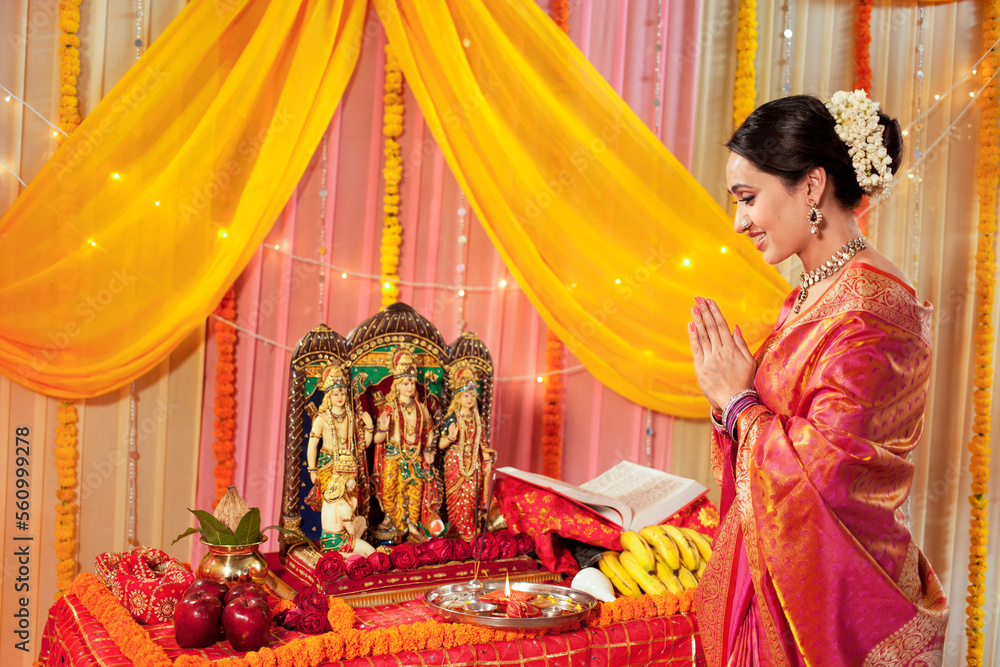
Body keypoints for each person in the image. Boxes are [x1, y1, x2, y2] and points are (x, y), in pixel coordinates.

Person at [688, 91, 948, 666]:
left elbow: (831, 478)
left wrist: (738, 405)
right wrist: (734, 402)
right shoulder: (817, 291)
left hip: (831, 608)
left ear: (810, 186)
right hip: (785, 578)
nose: (739, 223)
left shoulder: (870, 313)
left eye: (748, 199)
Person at [372, 348, 442, 543]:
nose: (410, 386)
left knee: (415, 490)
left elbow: (431, 430)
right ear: (397, 384)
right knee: (389, 489)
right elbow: (377, 440)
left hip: (415, 457)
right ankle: (390, 519)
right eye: (405, 382)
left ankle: (412, 524)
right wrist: (384, 428)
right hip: (394, 456)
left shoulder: (421, 408)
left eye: (412, 382)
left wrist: (429, 448)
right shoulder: (391, 407)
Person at [305, 364, 372, 518]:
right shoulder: (322, 419)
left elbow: (363, 446)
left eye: (342, 393)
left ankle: (346, 534)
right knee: (330, 502)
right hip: (328, 465)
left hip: (349, 465)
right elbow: (312, 446)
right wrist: (312, 469)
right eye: (335, 394)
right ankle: (331, 534)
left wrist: (369, 427)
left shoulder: (352, 417)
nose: (340, 398)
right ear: (329, 396)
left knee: (349, 502)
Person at [437, 365, 496, 536]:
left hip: (473, 464)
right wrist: (450, 437)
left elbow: (483, 444)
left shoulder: (480, 420)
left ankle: (469, 529)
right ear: (458, 397)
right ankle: (456, 530)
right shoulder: (452, 419)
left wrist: (487, 462)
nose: (469, 399)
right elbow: (440, 444)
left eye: (472, 394)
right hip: (455, 463)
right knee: (455, 499)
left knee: (471, 499)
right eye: (465, 395)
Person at [319, 453, 375, 556]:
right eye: (352, 479)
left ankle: (351, 551)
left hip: (325, 542)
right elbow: (352, 531)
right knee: (372, 553)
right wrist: (352, 509)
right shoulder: (343, 505)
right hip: (339, 543)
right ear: (343, 480)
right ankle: (345, 554)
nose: (354, 483)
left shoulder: (327, 498)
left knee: (361, 520)